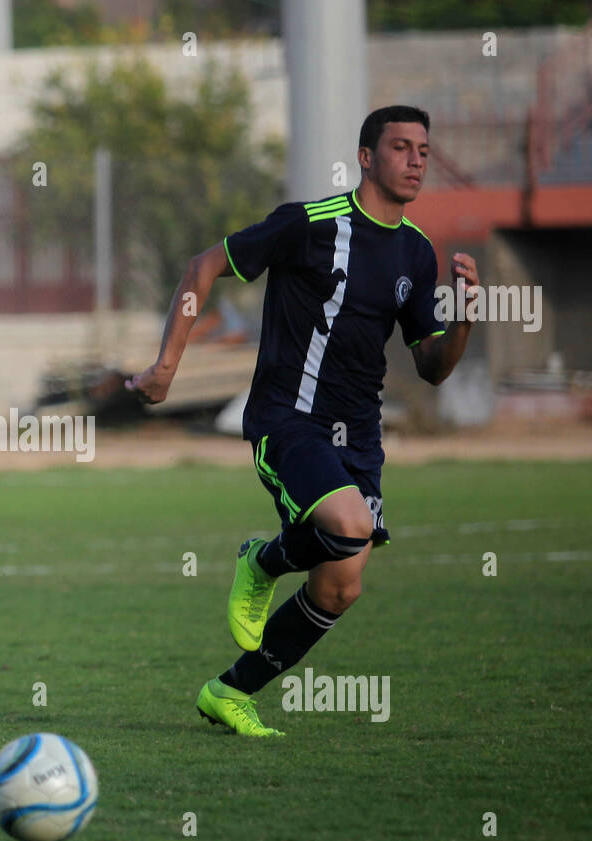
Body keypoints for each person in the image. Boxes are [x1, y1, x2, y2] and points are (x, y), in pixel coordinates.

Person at [126, 105, 479, 737]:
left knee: (342, 586)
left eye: (424, 149)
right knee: (350, 526)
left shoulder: (418, 253)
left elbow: (431, 366)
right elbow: (203, 266)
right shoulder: (310, 225)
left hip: (360, 434)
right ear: (367, 157)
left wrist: (467, 321)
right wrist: (164, 367)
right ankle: (261, 562)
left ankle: (228, 692)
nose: (417, 159)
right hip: (288, 418)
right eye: (401, 147)